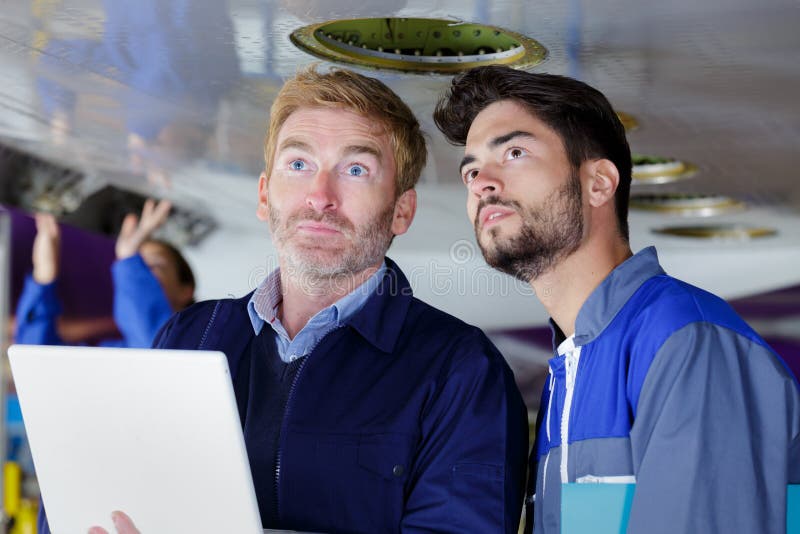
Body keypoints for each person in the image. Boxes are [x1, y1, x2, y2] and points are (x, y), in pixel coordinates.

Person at [83, 66, 529, 534]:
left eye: (356, 170)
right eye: (298, 164)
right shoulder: (189, 336)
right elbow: (97, 495)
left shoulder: (461, 372)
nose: (320, 196)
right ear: (263, 194)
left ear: (401, 210)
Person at [433, 65, 800, 534]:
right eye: (471, 171)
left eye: (515, 152)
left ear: (599, 183)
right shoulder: (572, 367)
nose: (482, 181)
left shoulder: (688, 342)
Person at [15, 199, 195, 348]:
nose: (140, 273)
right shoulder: (122, 353)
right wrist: (43, 277)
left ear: (185, 291)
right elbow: (40, 362)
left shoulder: (198, 341)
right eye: (139, 266)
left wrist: (128, 259)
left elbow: (156, 345)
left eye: (155, 266)